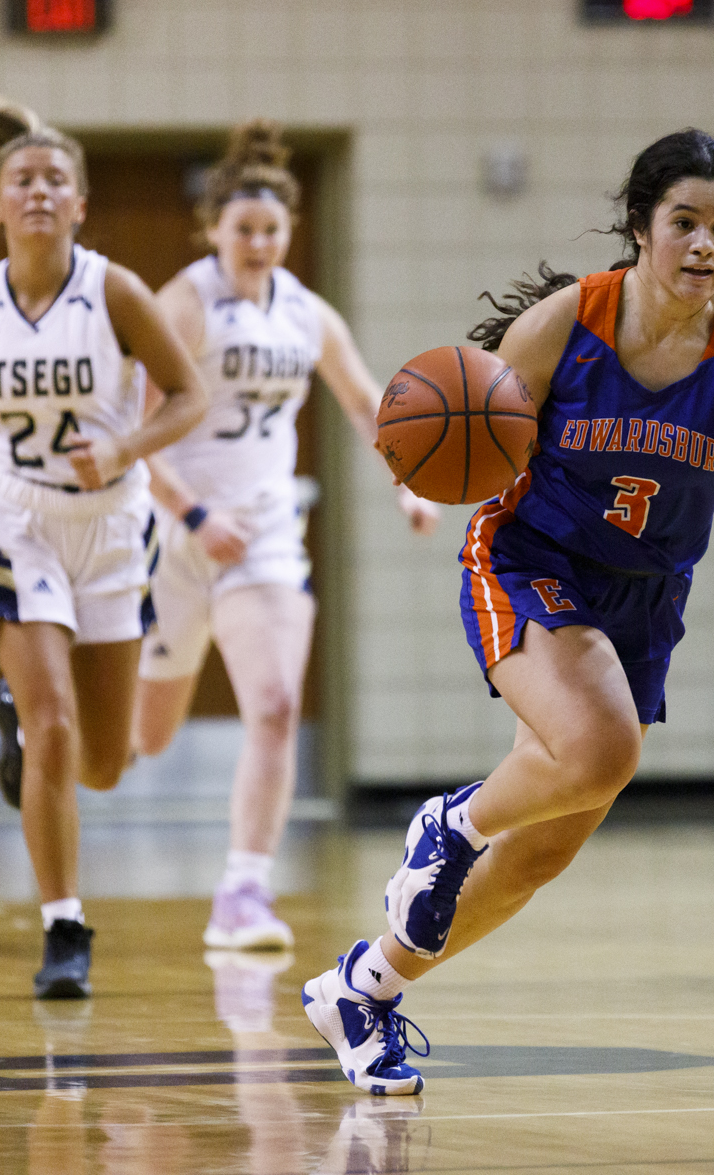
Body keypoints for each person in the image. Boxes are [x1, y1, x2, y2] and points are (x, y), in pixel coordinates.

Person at [298, 129, 714, 1095]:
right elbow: (479, 443)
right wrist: (434, 470)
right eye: (685, 223)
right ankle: (449, 825)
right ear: (641, 227)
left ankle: (363, 987)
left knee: (543, 848)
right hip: (529, 559)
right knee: (604, 751)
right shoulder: (567, 322)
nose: (705, 245)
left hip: (644, 598)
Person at [0, 89, 207, 999]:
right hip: (15, 519)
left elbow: (190, 397)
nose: (38, 191)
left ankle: (16, 726)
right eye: (22, 178)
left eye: (55, 179)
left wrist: (123, 444)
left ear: (79, 204)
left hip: (112, 525)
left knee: (104, 763)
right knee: (57, 725)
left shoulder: (114, 291)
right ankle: (64, 927)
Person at [130, 121, 440, 950]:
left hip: (264, 537)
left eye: (273, 230)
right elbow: (130, 423)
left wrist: (408, 488)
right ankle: (38, 719)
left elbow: (368, 403)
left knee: (273, 705)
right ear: (214, 232)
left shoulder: (307, 314)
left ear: (287, 233)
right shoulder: (186, 302)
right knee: (144, 739)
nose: (260, 244)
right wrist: (194, 510)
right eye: (244, 230)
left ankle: (242, 892)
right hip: (175, 532)